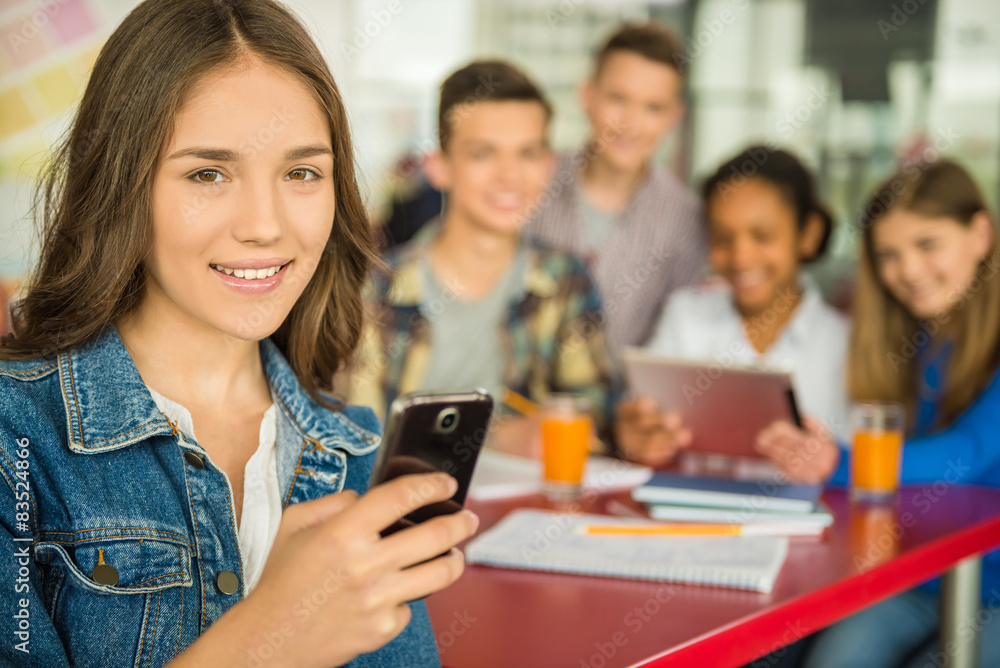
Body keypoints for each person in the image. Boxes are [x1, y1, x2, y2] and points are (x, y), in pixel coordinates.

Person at [0, 1, 478, 666]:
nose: (265, 224)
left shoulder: (356, 455)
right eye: (208, 173)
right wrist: (272, 638)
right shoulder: (14, 443)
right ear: (121, 186)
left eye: (302, 172)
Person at [774, 159, 1000, 668]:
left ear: (980, 234)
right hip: (925, 574)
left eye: (928, 245)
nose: (909, 271)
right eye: (889, 255)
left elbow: (962, 458)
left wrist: (836, 461)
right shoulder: (914, 341)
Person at [349, 60, 617, 454]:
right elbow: (357, 443)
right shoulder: (375, 290)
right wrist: (494, 438)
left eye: (527, 153)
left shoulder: (566, 279)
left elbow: (592, 413)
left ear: (548, 165)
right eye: (483, 154)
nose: (509, 175)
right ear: (438, 167)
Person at [615, 147, 848, 480]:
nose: (740, 257)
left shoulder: (846, 343)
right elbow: (642, 415)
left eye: (762, 236)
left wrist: (831, 464)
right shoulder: (685, 317)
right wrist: (638, 435)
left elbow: (863, 460)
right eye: (723, 238)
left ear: (808, 234)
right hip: (689, 525)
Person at [524, 21, 706, 355]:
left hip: (623, 404)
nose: (632, 124)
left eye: (654, 108)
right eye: (618, 99)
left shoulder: (687, 221)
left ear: (674, 117)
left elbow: (674, 344)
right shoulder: (529, 182)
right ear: (587, 96)